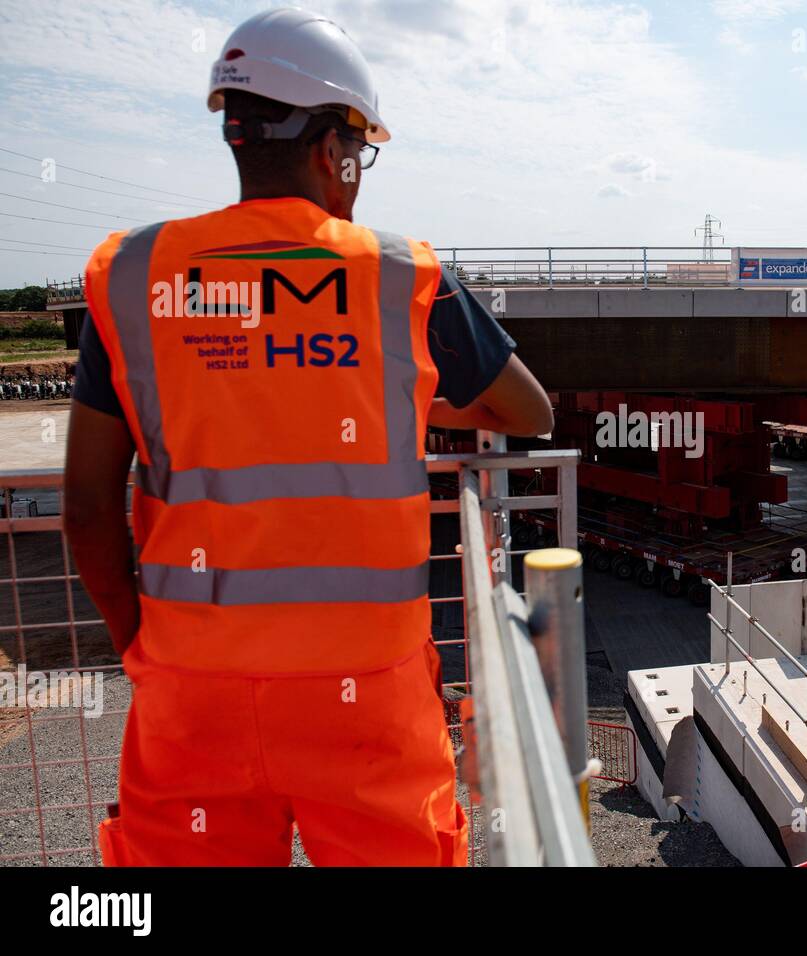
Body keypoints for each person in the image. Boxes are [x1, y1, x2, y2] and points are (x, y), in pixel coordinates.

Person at [62, 7, 553, 866]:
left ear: (239, 137)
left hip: (190, 690)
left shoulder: (137, 275)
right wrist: (404, 397)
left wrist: (142, 650)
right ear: (332, 150)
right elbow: (530, 413)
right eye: (356, 157)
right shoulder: (401, 278)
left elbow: (85, 505)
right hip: (367, 695)